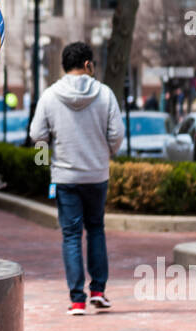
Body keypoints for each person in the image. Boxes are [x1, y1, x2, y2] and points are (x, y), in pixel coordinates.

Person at [29, 41, 125, 316]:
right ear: (87, 65)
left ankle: (77, 300)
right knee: (96, 229)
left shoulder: (49, 96)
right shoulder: (105, 94)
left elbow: (37, 134)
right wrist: (106, 153)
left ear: (64, 66)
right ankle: (99, 292)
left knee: (71, 235)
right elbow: (117, 134)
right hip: (96, 175)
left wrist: (44, 162)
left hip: (65, 176)